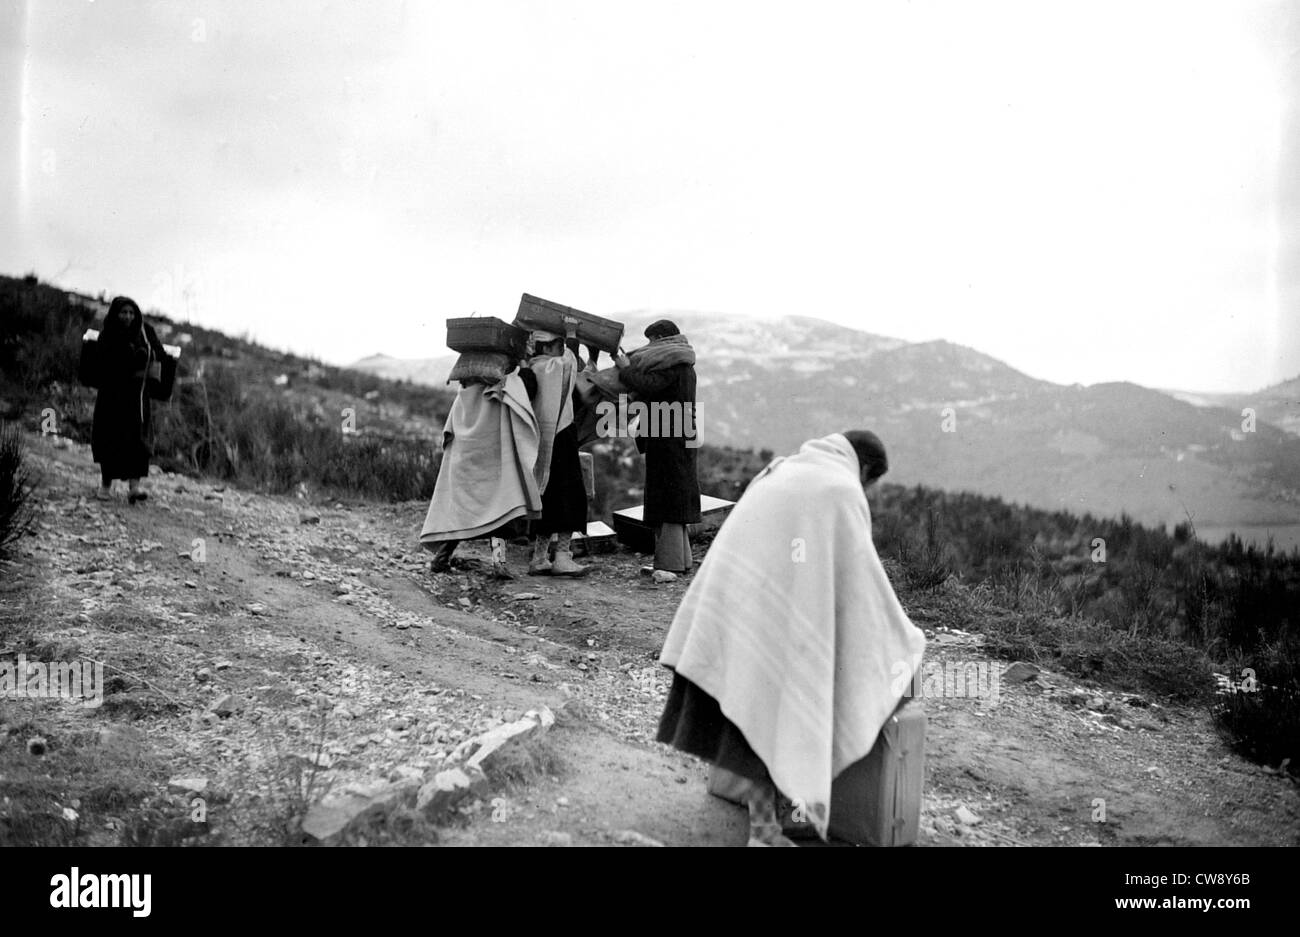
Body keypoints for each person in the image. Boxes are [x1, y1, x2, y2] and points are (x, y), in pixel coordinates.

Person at [655, 430, 926, 846]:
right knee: (783, 714)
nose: (866, 491)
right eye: (870, 485)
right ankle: (766, 832)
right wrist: (905, 643)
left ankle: (767, 822)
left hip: (735, 612)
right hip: (773, 616)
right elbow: (862, 586)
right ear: (866, 469)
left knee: (755, 709)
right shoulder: (840, 489)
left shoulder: (781, 469)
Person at [420, 354, 541, 579]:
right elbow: (530, 387)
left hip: (463, 465)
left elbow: (448, 434)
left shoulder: (462, 395)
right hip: (491, 466)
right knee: (498, 512)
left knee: (458, 514)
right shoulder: (501, 391)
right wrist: (523, 361)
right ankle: (499, 564)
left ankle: (441, 558)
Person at [615, 319, 701, 583]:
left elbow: (648, 385)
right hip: (678, 434)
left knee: (667, 496)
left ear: (662, 338)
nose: (650, 346)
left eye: (652, 340)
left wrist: (625, 370)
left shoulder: (670, 364)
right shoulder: (683, 363)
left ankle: (670, 563)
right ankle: (681, 560)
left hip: (667, 436)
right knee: (677, 492)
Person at [521, 329, 589, 577]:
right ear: (547, 348)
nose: (561, 348)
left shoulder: (530, 368)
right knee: (570, 496)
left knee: (546, 499)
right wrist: (572, 337)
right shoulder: (551, 368)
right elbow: (570, 362)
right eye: (557, 344)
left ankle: (539, 557)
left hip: (540, 443)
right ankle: (562, 556)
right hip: (561, 438)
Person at [89, 296, 170, 504]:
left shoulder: (146, 331)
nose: (127, 317)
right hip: (112, 396)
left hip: (137, 397)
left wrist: (146, 354)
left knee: (138, 442)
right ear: (116, 314)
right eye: (123, 312)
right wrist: (126, 356)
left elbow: (160, 352)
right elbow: (101, 358)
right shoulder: (109, 333)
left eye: (131, 313)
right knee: (109, 439)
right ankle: (105, 487)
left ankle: (134, 488)